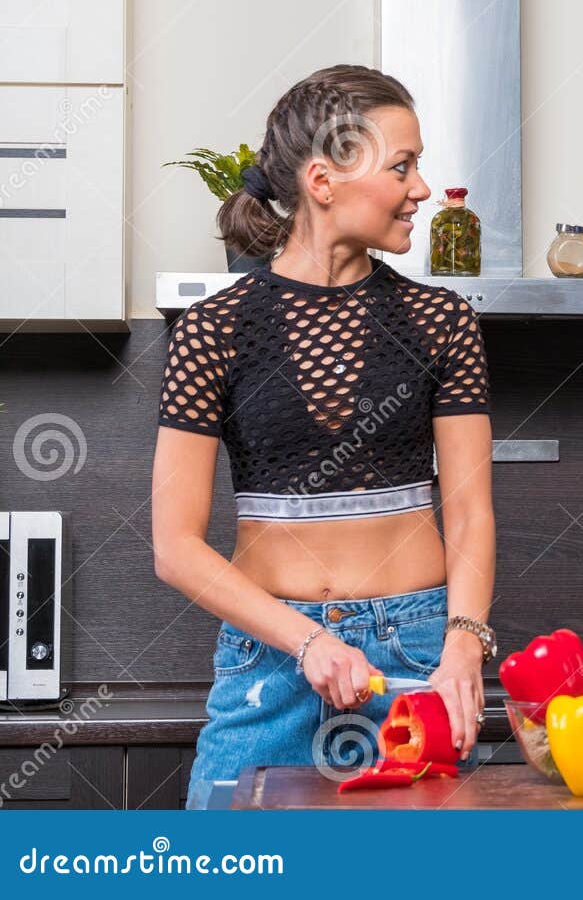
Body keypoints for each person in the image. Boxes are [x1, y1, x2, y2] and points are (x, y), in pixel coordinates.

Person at [152, 65, 498, 807]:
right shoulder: (212, 331)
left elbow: (471, 512)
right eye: (401, 167)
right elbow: (174, 546)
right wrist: (306, 639)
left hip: (414, 661)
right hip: (270, 663)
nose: (421, 188)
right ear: (322, 180)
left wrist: (464, 645)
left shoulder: (443, 323)